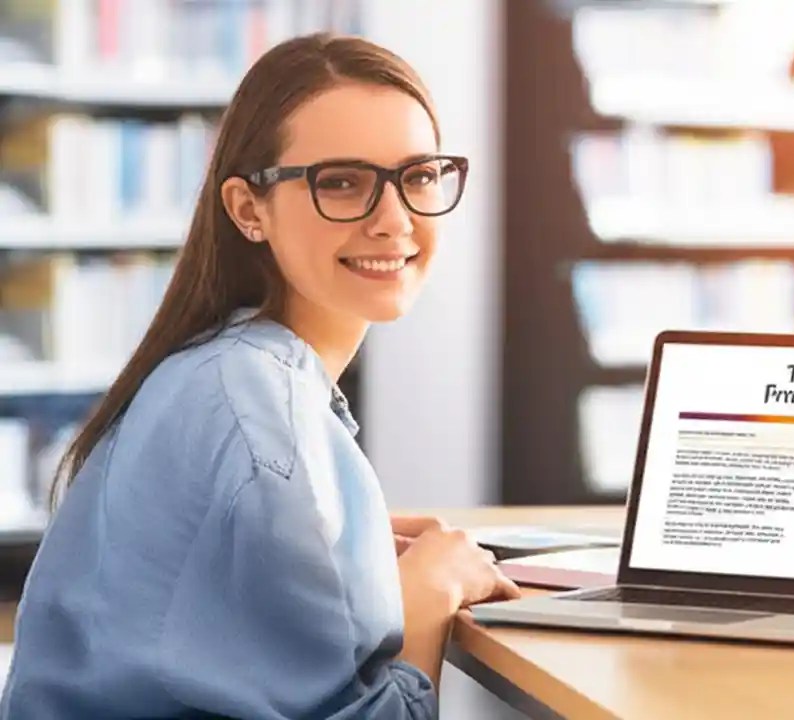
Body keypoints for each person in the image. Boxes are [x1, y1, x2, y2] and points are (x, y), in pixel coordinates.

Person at [0, 33, 519, 719]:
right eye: (343, 182)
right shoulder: (254, 410)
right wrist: (428, 591)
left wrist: (337, 541)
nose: (394, 220)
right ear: (248, 209)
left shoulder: (229, 371)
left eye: (418, 176)